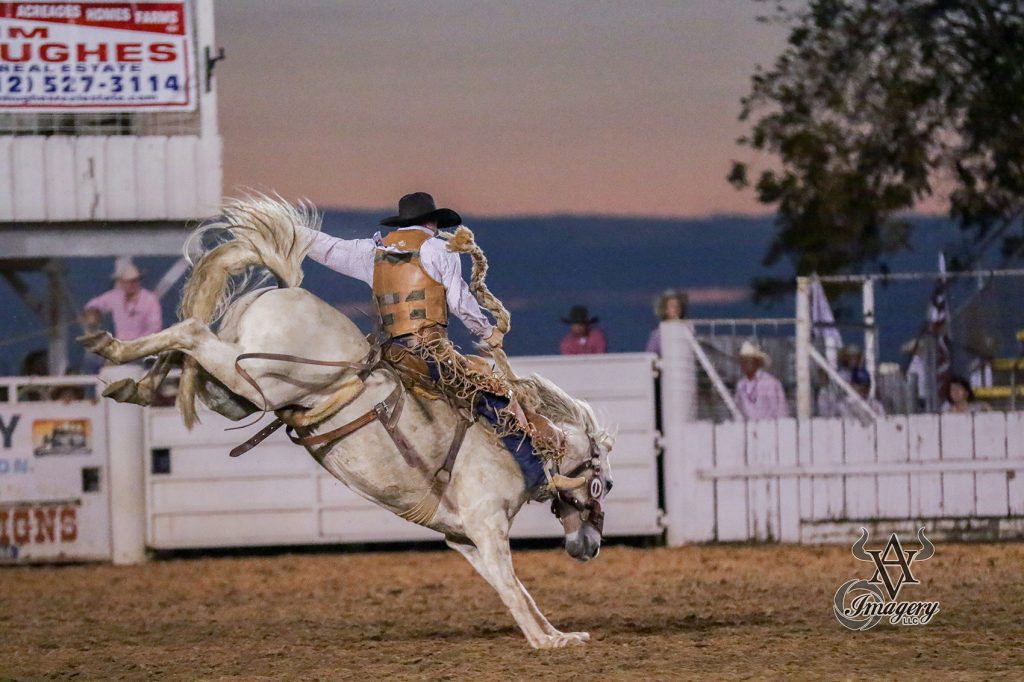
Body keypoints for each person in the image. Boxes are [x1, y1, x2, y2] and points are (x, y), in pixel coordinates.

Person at [297, 192, 557, 494]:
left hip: (389, 353)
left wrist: (289, 229)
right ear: (433, 222)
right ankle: (535, 475)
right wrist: (487, 332)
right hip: (428, 354)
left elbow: (327, 248)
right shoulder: (438, 249)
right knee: (492, 396)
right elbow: (460, 301)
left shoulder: (372, 252)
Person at [83, 259, 163, 343]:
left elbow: (155, 327)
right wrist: (91, 312)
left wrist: (137, 343)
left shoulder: (150, 299)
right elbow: (94, 303)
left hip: (144, 347)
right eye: (128, 282)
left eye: (134, 281)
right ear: (121, 282)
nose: (131, 284)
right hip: (120, 347)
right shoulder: (115, 296)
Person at [734, 340, 789, 421]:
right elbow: (738, 410)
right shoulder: (740, 385)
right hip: (747, 429)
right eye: (743, 361)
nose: (745, 364)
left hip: (768, 429)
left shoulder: (770, 382)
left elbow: (781, 411)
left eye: (749, 361)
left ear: (757, 362)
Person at [645, 289, 688, 355]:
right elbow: (651, 355)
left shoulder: (687, 330)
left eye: (678, 306)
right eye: (672, 306)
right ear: (665, 310)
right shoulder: (658, 334)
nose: (676, 309)